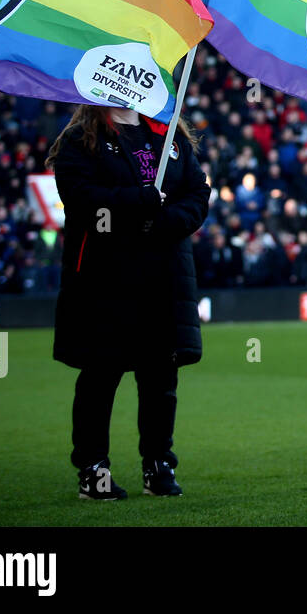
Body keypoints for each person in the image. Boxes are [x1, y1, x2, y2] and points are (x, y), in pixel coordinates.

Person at [47, 103, 210, 500]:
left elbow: (197, 194)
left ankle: (158, 465)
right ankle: (93, 470)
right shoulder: (78, 139)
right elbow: (81, 198)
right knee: (100, 377)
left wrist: (164, 221)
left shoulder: (170, 136)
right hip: (106, 278)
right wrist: (138, 204)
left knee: (160, 379)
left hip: (165, 278)